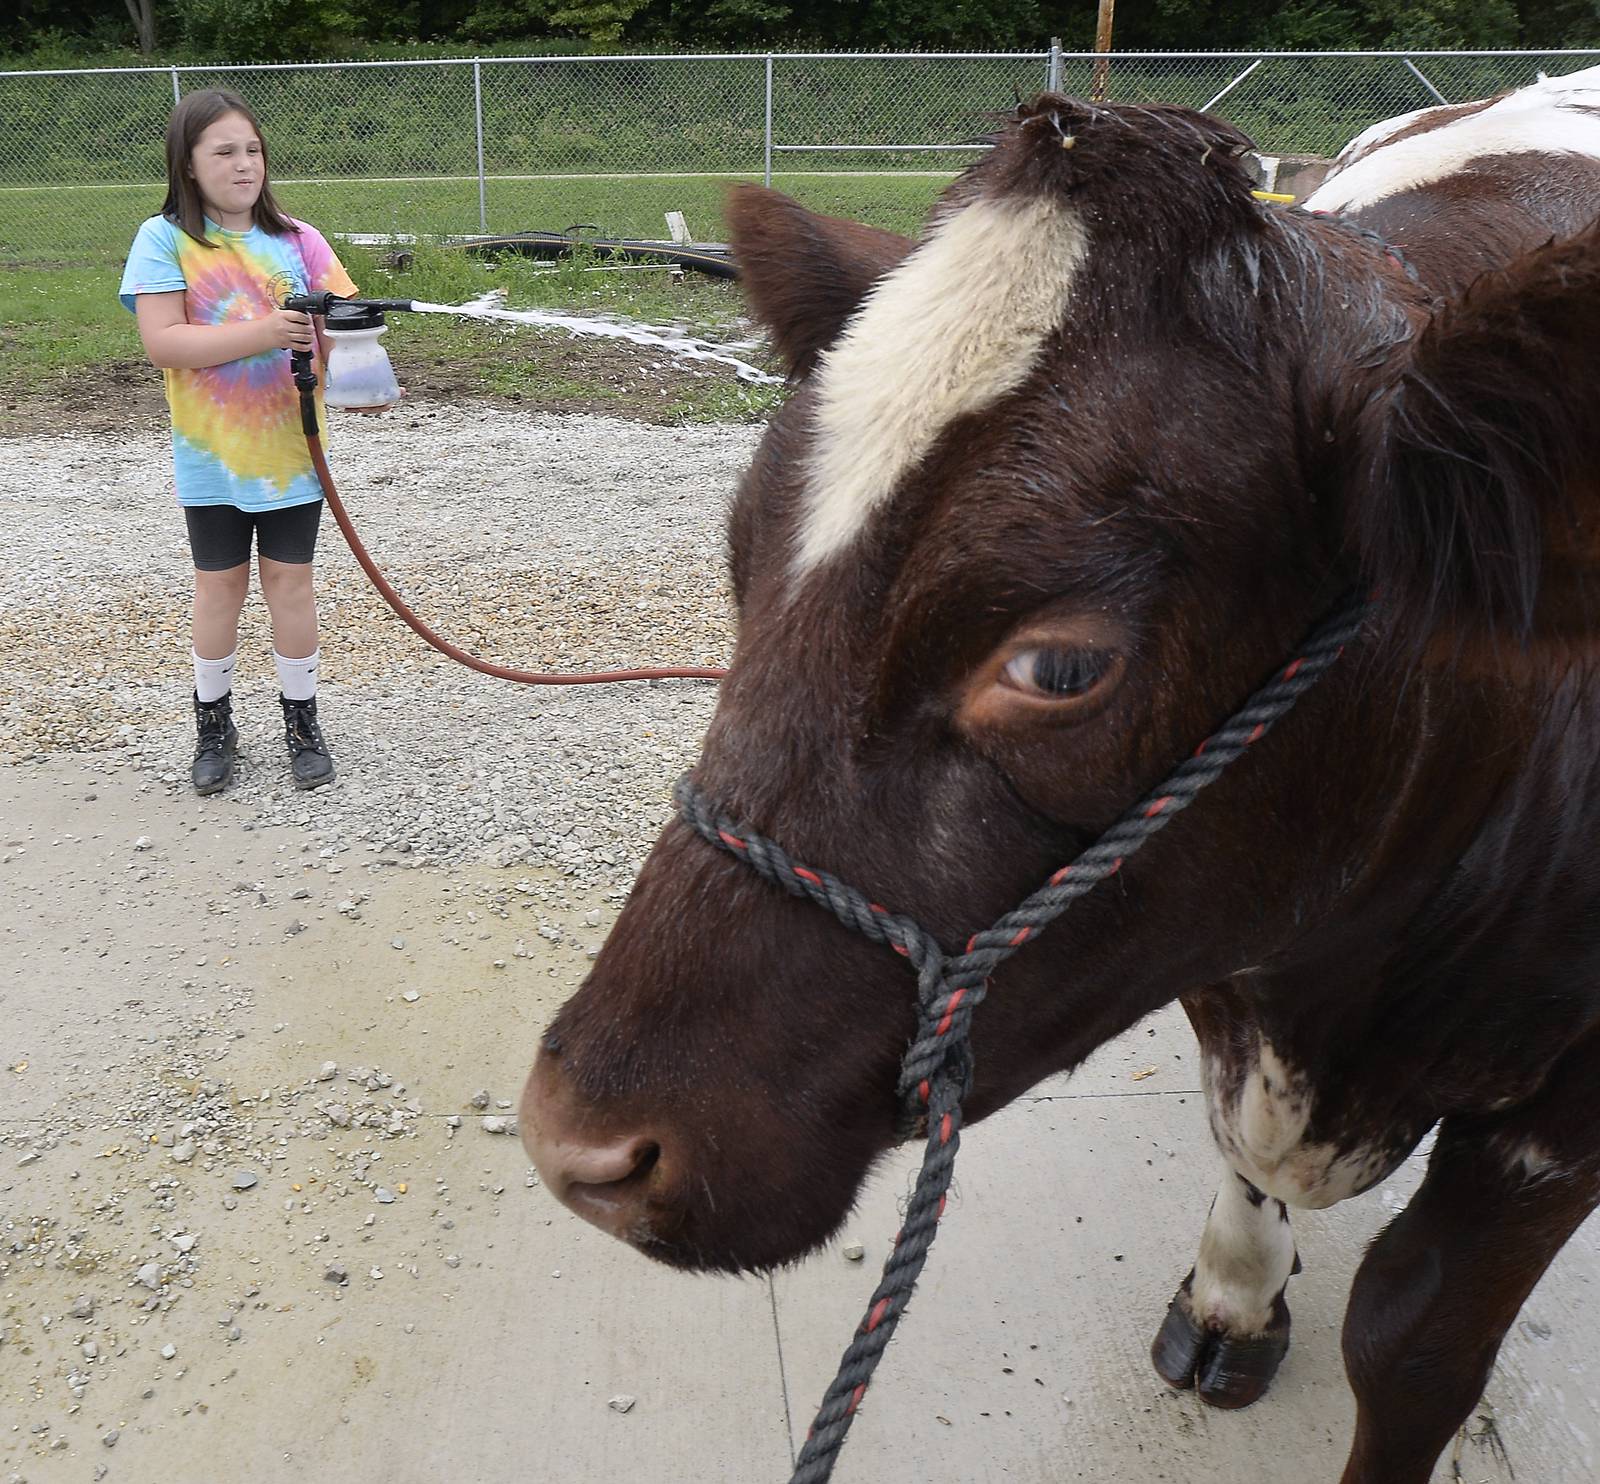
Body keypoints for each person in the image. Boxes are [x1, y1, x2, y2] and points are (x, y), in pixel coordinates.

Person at [119, 87, 356, 795]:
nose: (243, 164)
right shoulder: (165, 240)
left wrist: (361, 375)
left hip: (291, 456)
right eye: (224, 152)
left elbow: (344, 328)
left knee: (291, 584)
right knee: (219, 587)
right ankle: (213, 725)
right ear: (189, 165)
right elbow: (164, 342)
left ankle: (302, 721)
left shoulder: (300, 240)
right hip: (213, 458)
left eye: (252, 150)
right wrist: (263, 332)